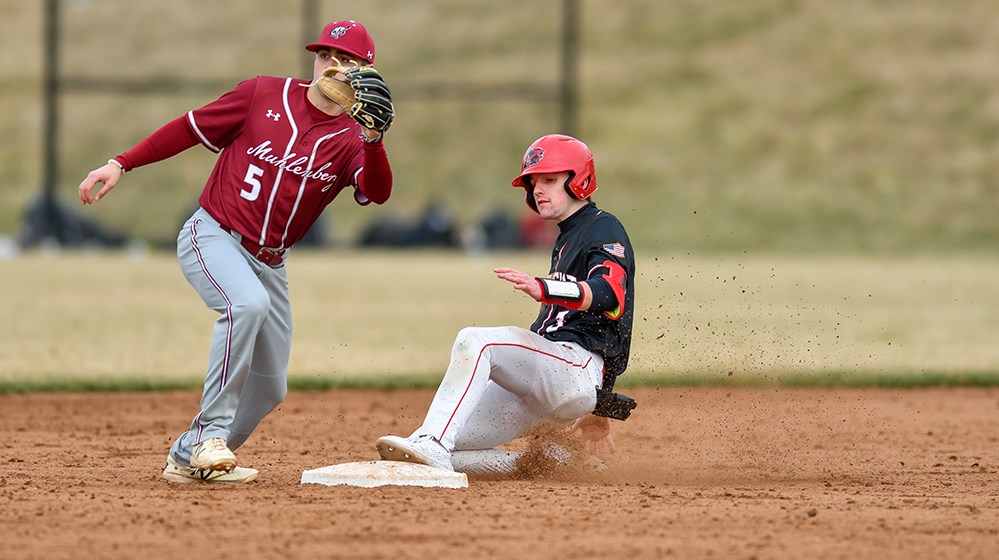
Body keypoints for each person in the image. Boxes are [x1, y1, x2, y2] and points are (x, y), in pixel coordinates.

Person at [78, 20, 394, 484]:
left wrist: (374, 140)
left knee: (269, 388)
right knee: (246, 304)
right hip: (214, 235)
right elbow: (188, 128)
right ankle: (208, 435)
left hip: (272, 262)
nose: (332, 65)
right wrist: (121, 163)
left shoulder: (352, 138)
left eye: (346, 60)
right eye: (325, 55)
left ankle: (187, 457)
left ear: (365, 72)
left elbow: (378, 192)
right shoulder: (263, 94)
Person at [375, 134, 636, 475]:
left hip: (574, 371)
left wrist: (544, 288)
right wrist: (601, 408)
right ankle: (550, 465)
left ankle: (433, 443)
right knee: (427, 452)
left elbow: (610, 295)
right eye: (534, 182)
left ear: (580, 180)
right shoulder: (567, 236)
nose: (538, 190)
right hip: (551, 378)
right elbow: (611, 330)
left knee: (475, 341)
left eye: (549, 180)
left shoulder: (603, 227)